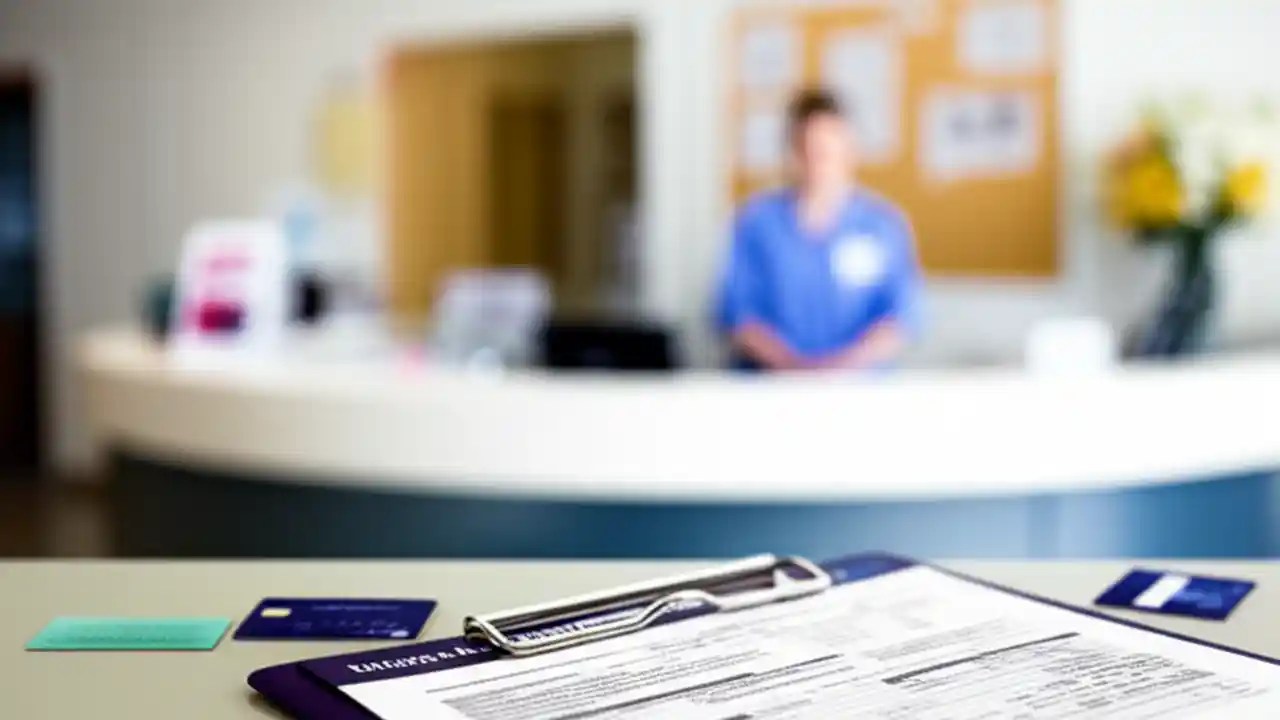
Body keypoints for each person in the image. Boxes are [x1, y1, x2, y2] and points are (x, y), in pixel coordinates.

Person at [716, 89, 922, 371]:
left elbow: (900, 317)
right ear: (792, 152)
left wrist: (838, 371)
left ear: (849, 149)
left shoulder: (882, 226)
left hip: (857, 391)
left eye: (827, 150)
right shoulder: (757, 223)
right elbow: (737, 314)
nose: (818, 162)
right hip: (771, 390)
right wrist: (795, 369)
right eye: (807, 150)